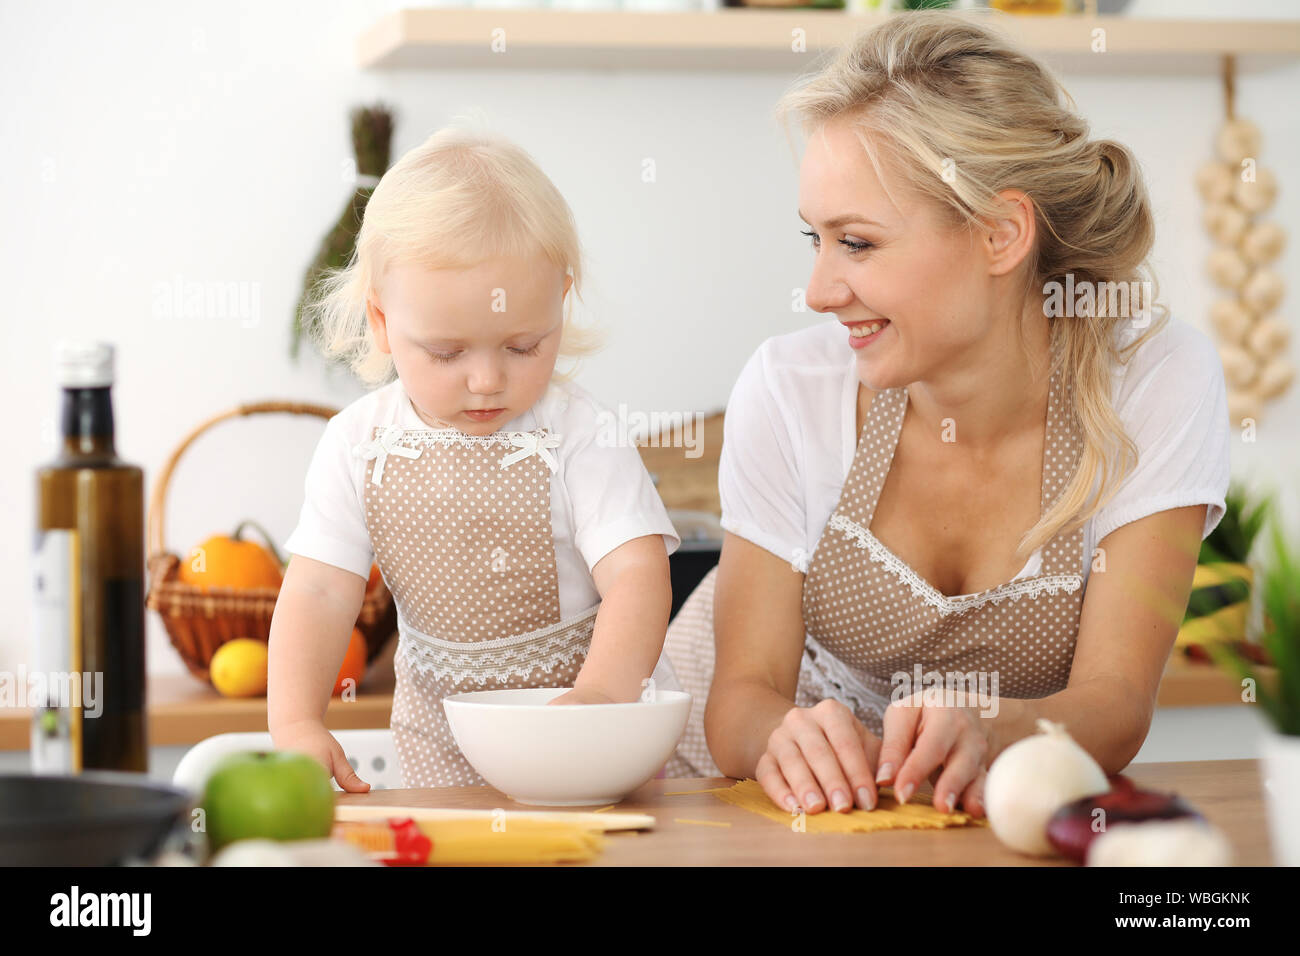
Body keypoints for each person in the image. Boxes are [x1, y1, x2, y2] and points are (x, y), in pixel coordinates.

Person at [661, 11, 1230, 818]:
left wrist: (989, 733)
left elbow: (1117, 700)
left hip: (940, 812)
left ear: (1001, 235)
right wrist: (776, 734)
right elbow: (740, 702)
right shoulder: (792, 390)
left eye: (855, 243)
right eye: (813, 241)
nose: (820, 290)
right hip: (726, 796)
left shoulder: (1154, 380)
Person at [269, 124, 681, 791]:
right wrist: (295, 725)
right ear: (380, 321)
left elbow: (637, 576)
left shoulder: (579, 431)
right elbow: (318, 590)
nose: (487, 380)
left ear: (561, 298)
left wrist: (602, 698)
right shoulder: (356, 445)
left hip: (588, 729)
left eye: (522, 346)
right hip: (441, 728)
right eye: (447, 352)